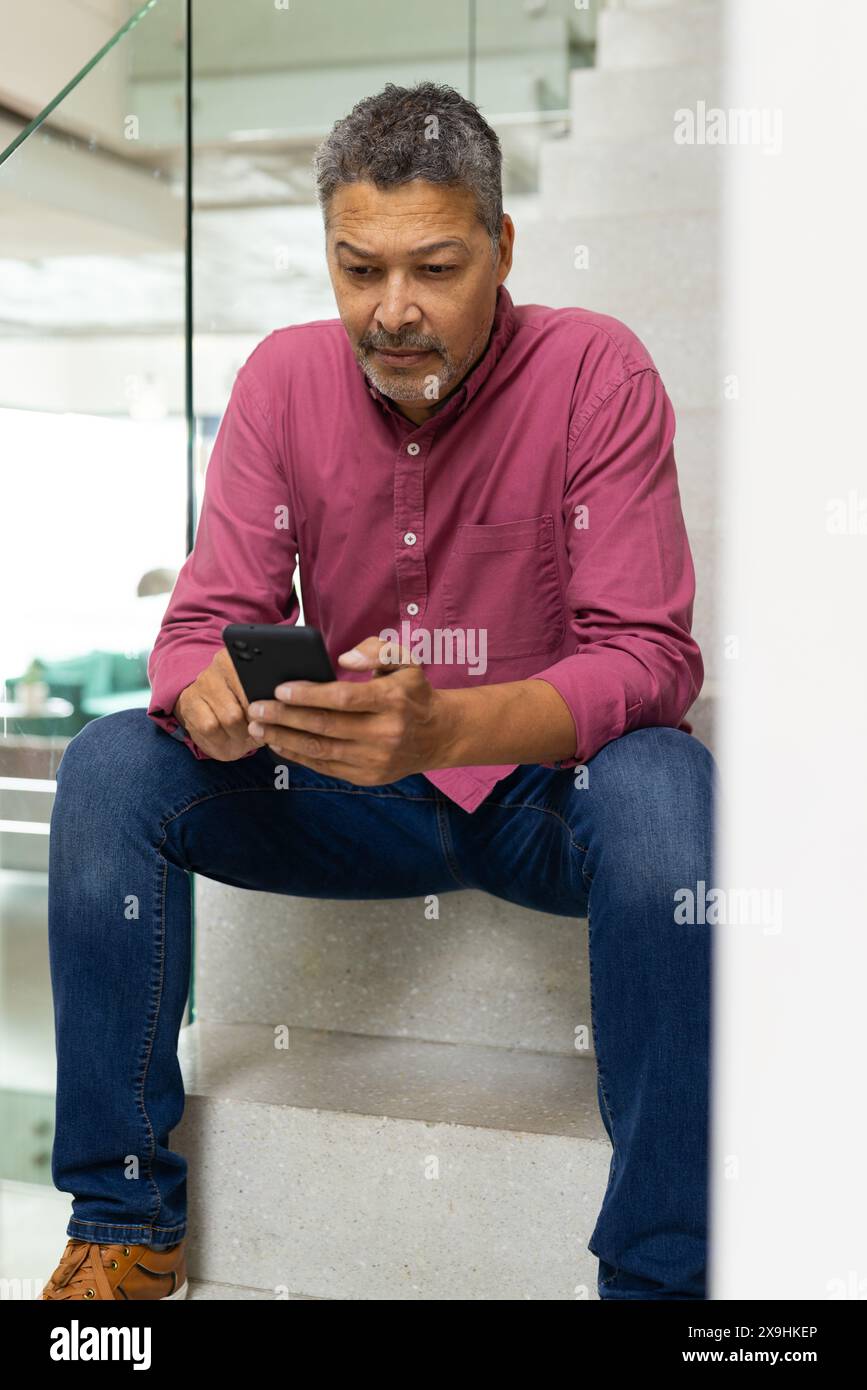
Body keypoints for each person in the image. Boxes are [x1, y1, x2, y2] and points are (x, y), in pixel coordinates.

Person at [41, 80, 715, 1301]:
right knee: (108, 766)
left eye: (437, 268)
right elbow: (198, 630)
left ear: (502, 250)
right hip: (344, 792)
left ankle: (660, 1277)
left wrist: (450, 722)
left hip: (539, 799)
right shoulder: (282, 382)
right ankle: (124, 1222)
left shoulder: (596, 371)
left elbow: (650, 657)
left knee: (671, 789)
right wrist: (210, 693)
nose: (393, 312)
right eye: (359, 270)